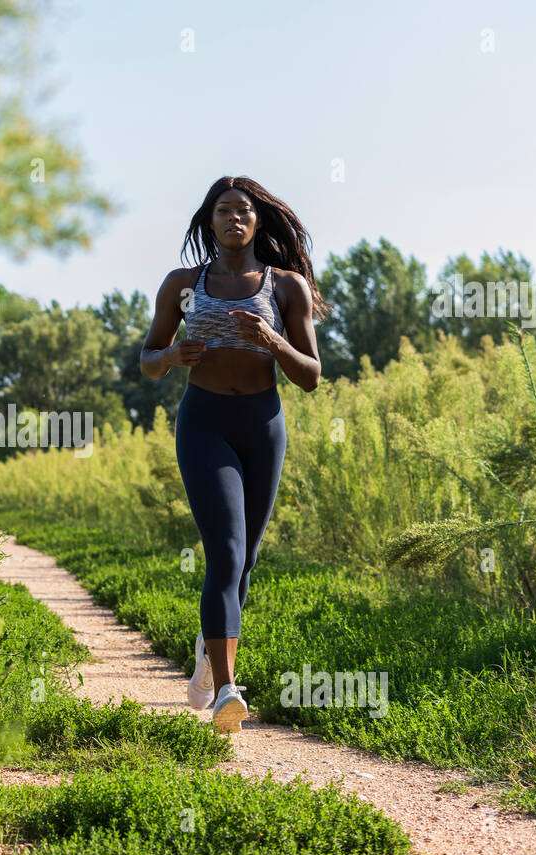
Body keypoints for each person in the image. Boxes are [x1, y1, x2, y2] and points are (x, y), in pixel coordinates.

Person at [139, 175, 326, 733]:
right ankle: (226, 690)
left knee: (244, 562)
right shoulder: (182, 284)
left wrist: (272, 340)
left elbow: (311, 376)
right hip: (205, 423)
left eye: (243, 209)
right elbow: (147, 359)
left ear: (259, 220)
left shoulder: (286, 287)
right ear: (209, 221)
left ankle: (208, 647)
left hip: (263, 425)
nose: (233, 218)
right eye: (223, 210)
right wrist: (173, 354)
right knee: (223, 551)